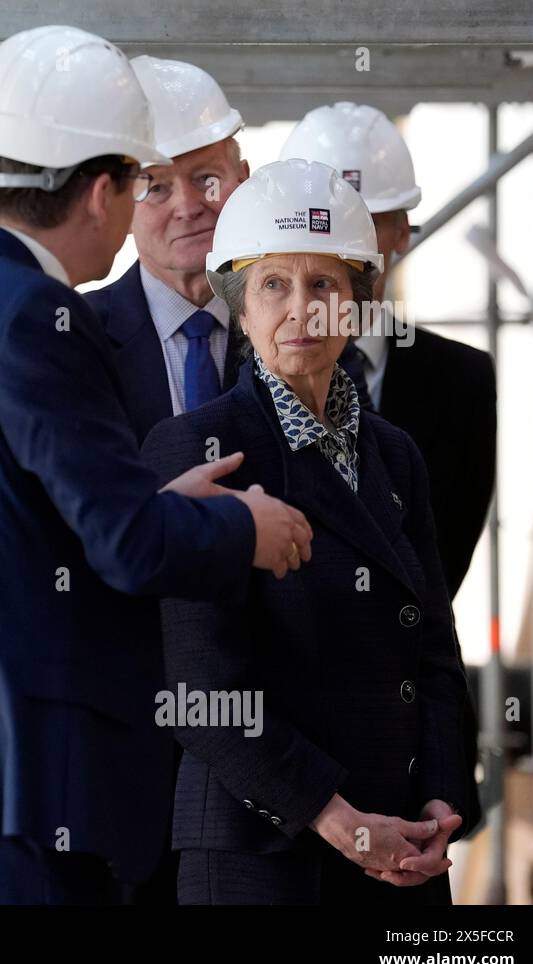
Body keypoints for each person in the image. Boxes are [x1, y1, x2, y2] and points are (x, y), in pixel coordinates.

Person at [0, 26, 315, 905]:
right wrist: (241, 526)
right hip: (18, 794)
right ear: (103, 190)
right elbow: (129, 545)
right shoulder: (36, 317)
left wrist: (151, 501)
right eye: (143, 181)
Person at [141, 159, 479, 905]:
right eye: (274, 285)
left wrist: (441, 804)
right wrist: (334, 816)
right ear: (239, 301)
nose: (302, 310)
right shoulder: (195, 448)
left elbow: (435, 653)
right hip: (265, 853)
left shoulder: (397, 455)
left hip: (400, 846)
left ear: (357, 302)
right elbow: (203, 689)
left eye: (323, 285)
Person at [282, 102, 495, 595]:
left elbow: (442, 567)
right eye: (328, 226)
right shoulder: (233, 362)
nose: (347, 251)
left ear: (402, 231)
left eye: (367, 224)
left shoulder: (463, 380)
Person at [84, 56, 250, 443]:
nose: (189, 208)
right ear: (117, 205)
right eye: (157, 187)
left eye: (207, 179)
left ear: (243, 183)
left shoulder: (299, 326)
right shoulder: (78, 337)